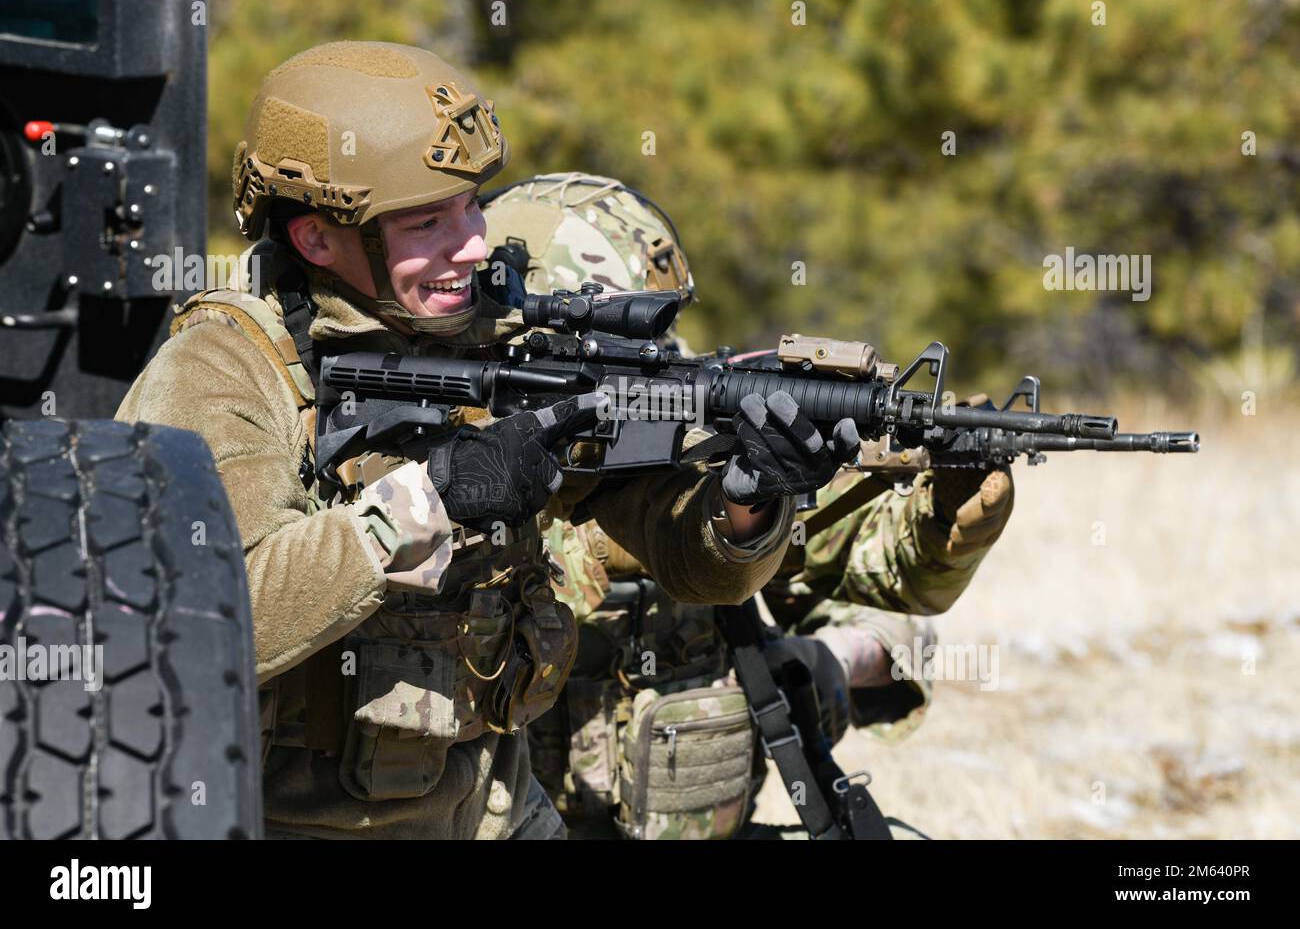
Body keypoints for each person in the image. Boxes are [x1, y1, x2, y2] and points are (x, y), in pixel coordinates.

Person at [115, 43, 859, 838]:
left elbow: (686, 553)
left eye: (473, 204)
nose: (473, 244)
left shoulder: (492, 340)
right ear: (318, 239)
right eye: (429, 222)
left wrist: (750, 494)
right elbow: (199, 623)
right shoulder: (222, 371)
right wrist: (425, 503)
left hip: (497, 811)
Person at [481, 173, 1015, 838]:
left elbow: (881, 584)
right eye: (607, 329)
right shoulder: (447, 471)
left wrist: (957, 502)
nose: (652, 354)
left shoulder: (691, 439)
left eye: (656, 322)